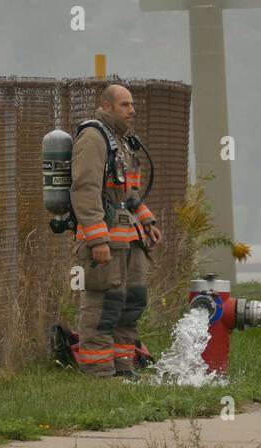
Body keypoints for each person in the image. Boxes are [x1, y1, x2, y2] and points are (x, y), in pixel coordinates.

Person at [69, 83, 162, 378]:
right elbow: (85, 190)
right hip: (105, 243)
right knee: (102, 307)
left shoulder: (123, 142)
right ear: (107, 106)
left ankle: (124, 369)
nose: (132, 110)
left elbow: (129, 190)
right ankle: (98, 373)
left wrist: (146, 221)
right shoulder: (93, 138)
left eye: (132, 104)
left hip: (130, 241)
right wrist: (97, 239)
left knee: (131, 304)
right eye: (125, 105)